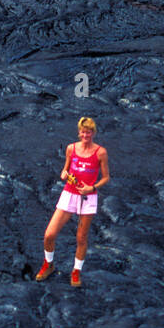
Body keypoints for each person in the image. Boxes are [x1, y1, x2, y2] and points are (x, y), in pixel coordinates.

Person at [35, 117, 109, 286]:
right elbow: (65, 168)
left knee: (81, 238)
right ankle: (48, 264)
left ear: (93, 133)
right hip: (69, 193)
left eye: (89, 132)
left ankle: (76, 272)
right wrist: (64, 174)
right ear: (79, 132)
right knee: (49, 234)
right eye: (83, 132)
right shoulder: (71, 148)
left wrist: (92, 188)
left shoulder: (101, 153)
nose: (85, 135)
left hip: (88, 197)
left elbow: (105, 178)